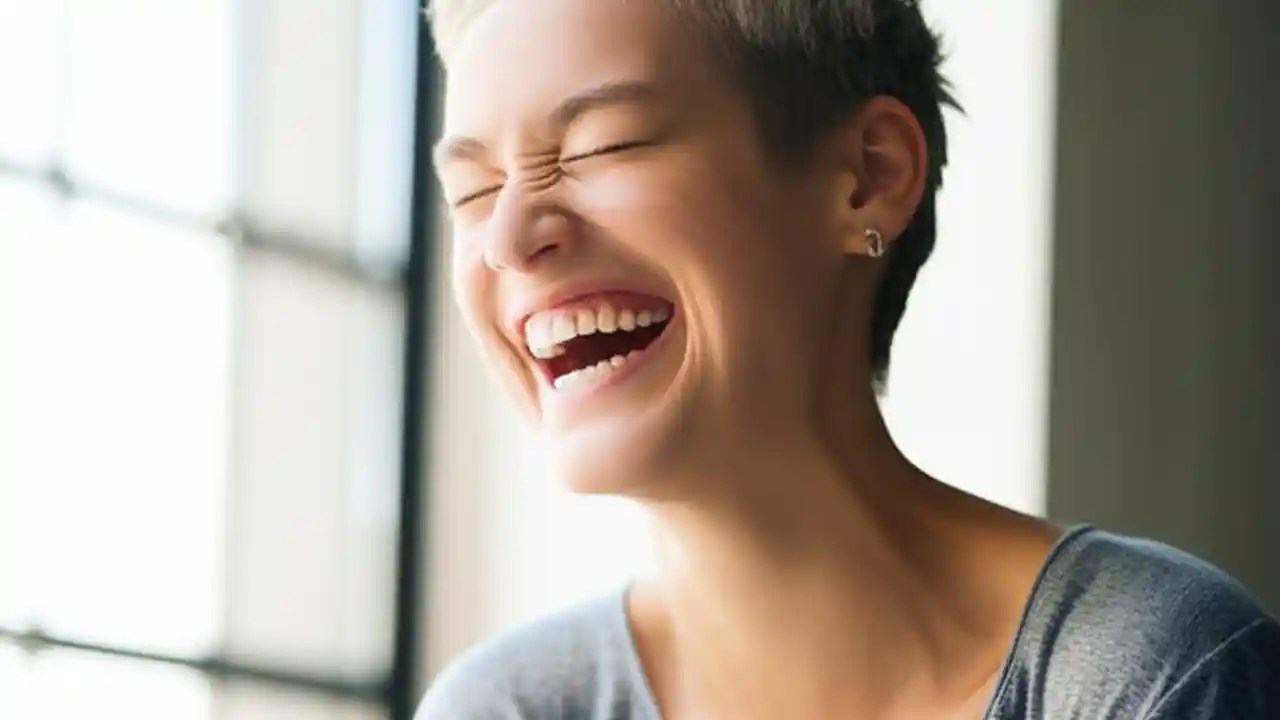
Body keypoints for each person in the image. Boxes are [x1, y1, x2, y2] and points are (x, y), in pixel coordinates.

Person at [419, 0, 1280, 717]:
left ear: (868, 177)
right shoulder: (500, 707)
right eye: (474, 191)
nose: (507, 238)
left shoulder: (1154, 674)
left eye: (604, 144)